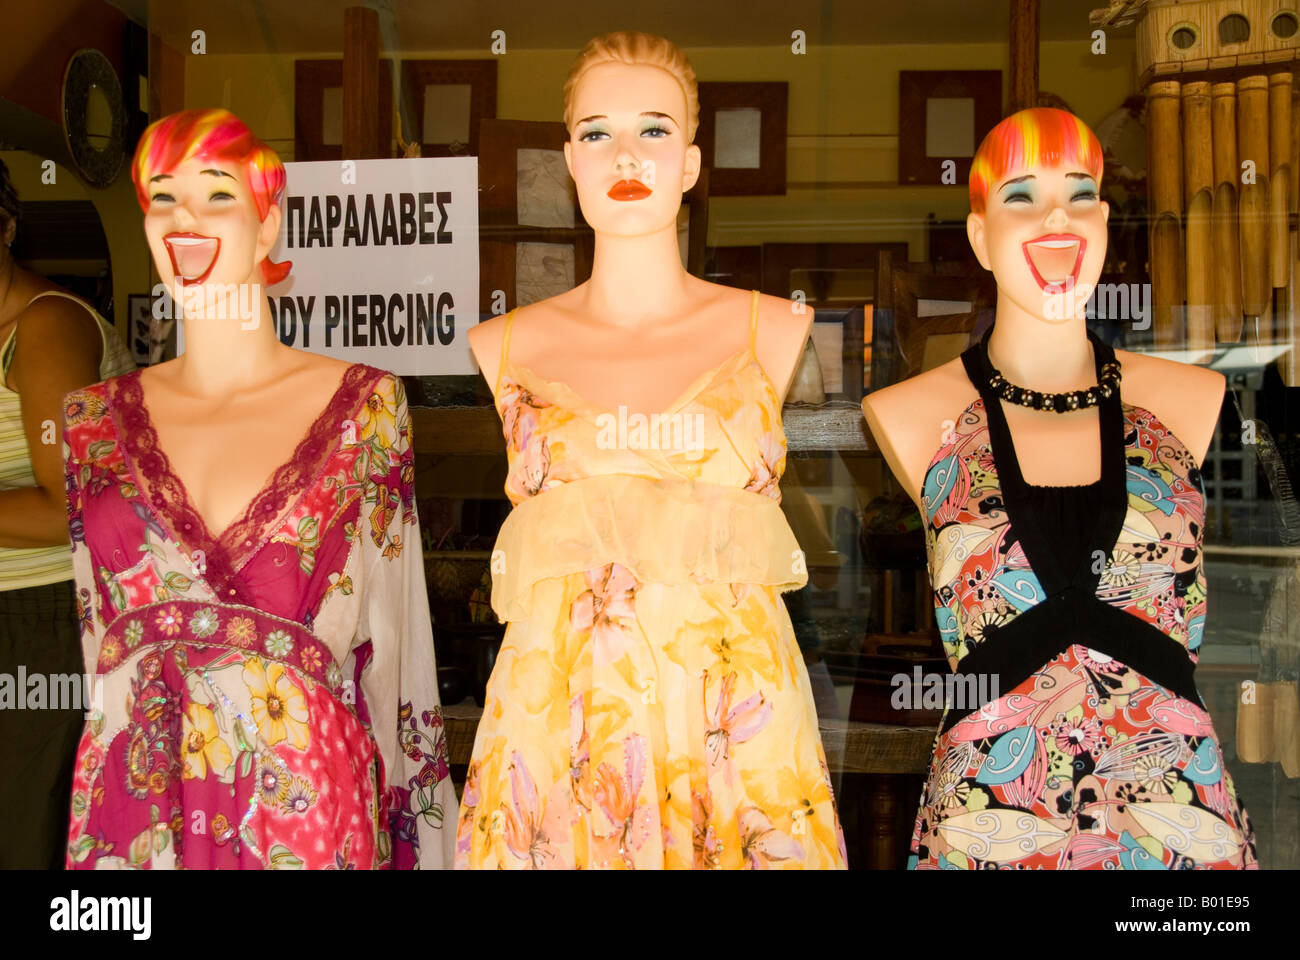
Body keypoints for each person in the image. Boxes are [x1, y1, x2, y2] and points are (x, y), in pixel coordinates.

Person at [458, 31, 847, 869]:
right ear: (568, 158)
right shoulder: (505, 345)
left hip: (734, 729)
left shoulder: (770, 329)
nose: (625, 154)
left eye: (655, 130)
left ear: (694, 163)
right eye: (597, 132)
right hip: (557, 728)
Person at [862, 107, 1258, 869]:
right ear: (979, 235)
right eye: (1020, 196)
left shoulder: (1190, 401)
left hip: (1178, 826)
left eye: (1080, 194)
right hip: (992, 823)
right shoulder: (914, 416)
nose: (1057, 217)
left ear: (1105, 221)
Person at [61, 108, 456, 868]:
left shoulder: (364, 409)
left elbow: (400, 658)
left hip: (302, 817)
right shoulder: (90, 424)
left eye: (217, 195)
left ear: (267, 224)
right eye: (163, 198)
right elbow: (95, 658)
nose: (185, 220)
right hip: (136, 817)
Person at [0, 157, 135, 868]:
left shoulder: (46, 327)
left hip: (41, 620)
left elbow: (68, 507)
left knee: (24, 837)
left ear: (7, 225)